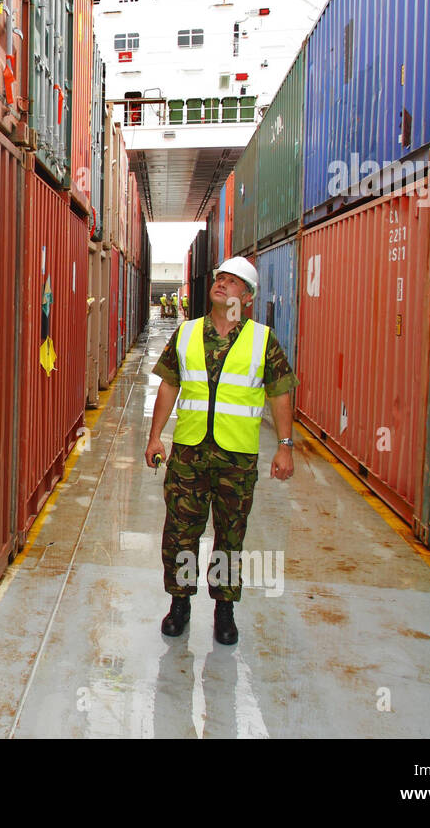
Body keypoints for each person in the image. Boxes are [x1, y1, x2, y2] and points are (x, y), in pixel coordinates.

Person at [144, 257, 297, 645]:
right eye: (220, 278)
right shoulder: (187, 333)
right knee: (180, 534)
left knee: (230, 538)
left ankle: (224, 609)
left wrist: (284, 446)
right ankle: (179, 604)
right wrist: (155, 436)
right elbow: (168, 386)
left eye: (233, 281)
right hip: (189, 456)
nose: (222, 284)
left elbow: (280, 393)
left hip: (236, 460)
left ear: (246, 297)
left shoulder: (263, 340)